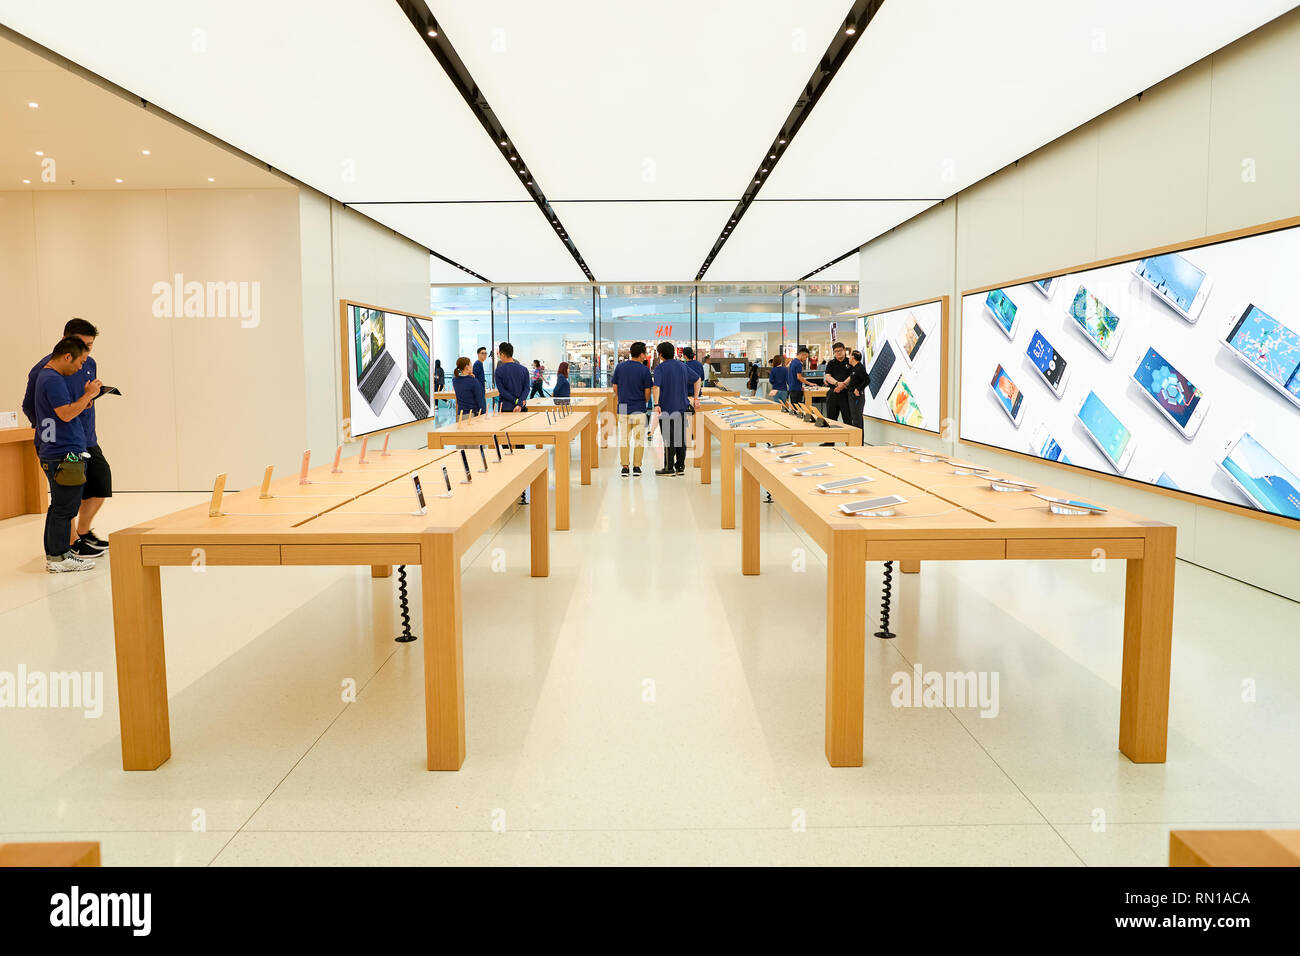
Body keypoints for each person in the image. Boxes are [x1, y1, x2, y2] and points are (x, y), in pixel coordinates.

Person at [22, 317, 112, 557]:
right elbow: (42, 408)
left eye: (89, 347)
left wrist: (88, 398)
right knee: (65, 499)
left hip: (83, 438)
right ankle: (65, 548)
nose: (85, 356)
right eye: (82, 347)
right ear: (66, 345)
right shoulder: (46, 372)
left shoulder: (87, 363)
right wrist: (48, 430)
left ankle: (78, 536)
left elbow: (79, 402)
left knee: (96, 485)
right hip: (61, 443)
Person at [31, 337, 99, 571]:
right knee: (65, 507)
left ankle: (58, 555)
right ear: (67, 356)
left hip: (58, 449)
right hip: (63, 452)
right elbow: (66, 414)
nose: (81, 367)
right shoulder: (53, 379)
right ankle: (59, 557)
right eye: (80, 362)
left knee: (60, 505)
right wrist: (88, 395)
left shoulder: (47, 376)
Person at [651, 340, 700, 476]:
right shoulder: (682, 366)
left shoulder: (660, 368)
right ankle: (680, 467)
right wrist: (696, 398)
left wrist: (656, 404)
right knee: (680, 437)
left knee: (668, 438)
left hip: (667, 408)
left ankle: (668, 468)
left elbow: (656, 386)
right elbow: (697, 379)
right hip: (682, 407)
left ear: (660, 354)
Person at [610, 342, 653, 477]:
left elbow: (615, 387)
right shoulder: (644, 370)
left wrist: (622, 397)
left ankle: (625, 467)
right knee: (639, 438)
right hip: (639, 407)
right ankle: (636, 467)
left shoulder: (620, 367)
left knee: (624, 438)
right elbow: (647, 391)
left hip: (622, 406)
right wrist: (644, 402)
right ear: (641, 354)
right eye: (645, 353)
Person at [822, 342, 855, 426]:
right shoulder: (831, 363)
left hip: (846, 394)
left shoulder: (850, 362)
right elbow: (828, 377)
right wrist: (837, 383)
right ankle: (831, 439)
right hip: (833, 393)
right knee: (831, 419)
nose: (838, 352)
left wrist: (843, 385)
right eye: (836, 351)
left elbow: (853, 375)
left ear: (844, 350)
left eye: (840, 350)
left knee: (848, 419)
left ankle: (847, 439)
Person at [494, 341, 530, 412]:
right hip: (521, 408)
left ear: (503, 354)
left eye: (499, 355)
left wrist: (516, 401)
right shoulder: (524, 369)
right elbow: (526, 389)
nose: (499, 357)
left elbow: (502, 391)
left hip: (505, 408)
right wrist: (519, 403)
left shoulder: (499, 371)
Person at [848, 349, 869, 427]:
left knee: (857, 420)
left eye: (850, 356)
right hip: (852, 396)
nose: (849, 358)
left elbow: (867, 380)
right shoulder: (854, 368)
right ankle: (858, 438)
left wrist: (858, 389)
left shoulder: (860, 367)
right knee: (856, 419)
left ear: (853, 357)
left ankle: (858, 439)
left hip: (857, 397)